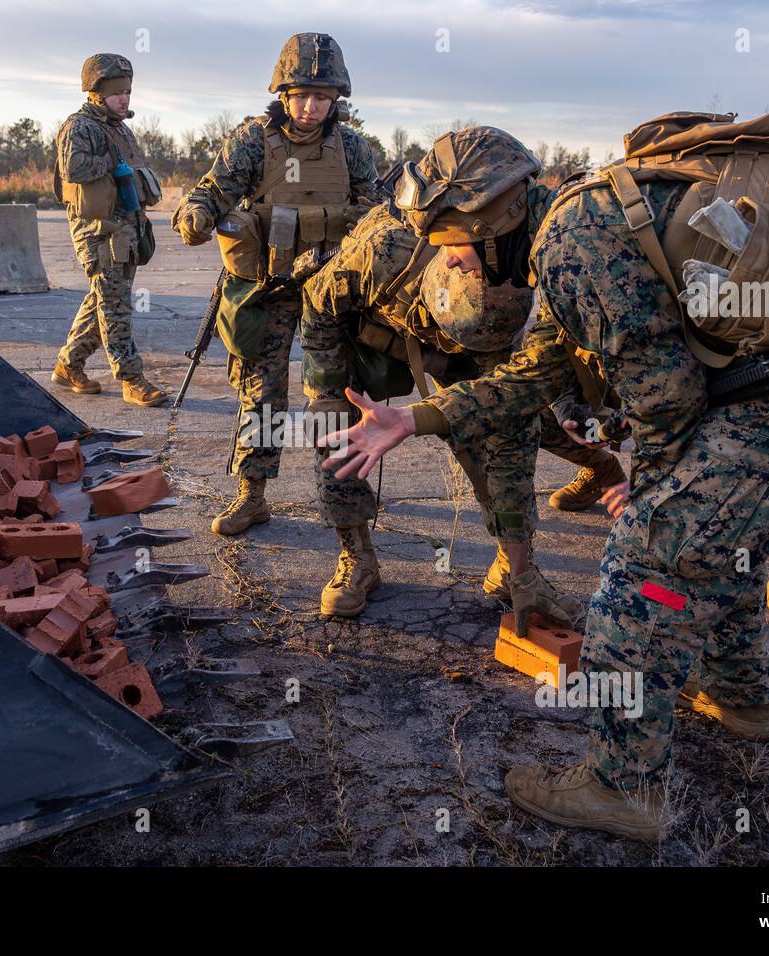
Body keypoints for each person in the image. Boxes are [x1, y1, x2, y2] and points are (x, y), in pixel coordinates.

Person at [320, 111, 769, 840]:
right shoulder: (572, 231)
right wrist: (415, 419)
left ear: (490, 220)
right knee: (720, 542)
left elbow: (667, 399)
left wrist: (647, 488)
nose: (447, 260)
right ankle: (739, 697)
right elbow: (533, 375)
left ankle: (623, 787)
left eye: (449, 240)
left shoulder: (571, 243)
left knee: (648, 564)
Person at [300, 127, 624, 618]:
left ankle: (514, 567)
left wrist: (522, 571)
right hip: (370, 333)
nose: (459, 258)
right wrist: (327, 389)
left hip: (457, 353)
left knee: (507, 427)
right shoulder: (382, 253)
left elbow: (510, 431)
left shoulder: (506, 290)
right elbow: (317, 302)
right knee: (332, 428)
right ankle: (356, 557)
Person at [172, 32, 380, 536]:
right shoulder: (252, 140)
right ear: (283, 94)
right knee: (261, 394)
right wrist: (195, 215)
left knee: (334, 398)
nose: (310, 108)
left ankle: (344, 502)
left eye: (322, 98)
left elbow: (376, 211)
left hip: (331, 292)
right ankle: (253, 493)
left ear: (336, 99)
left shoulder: (352, 147)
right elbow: (212, 191)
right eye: (301, 95)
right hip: (269, 286)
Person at [51, 53, 167, 407]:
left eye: (127, 92)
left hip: (125, 227)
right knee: (115, 306)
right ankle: (131, 379)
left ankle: (69, 365)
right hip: (99, 231)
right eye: (117, 92)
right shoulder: (80, 126)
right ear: (97, 92)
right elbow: (74, 168)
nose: (124, 98)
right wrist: (112, 162)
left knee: (102, 300)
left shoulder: (119, 128)